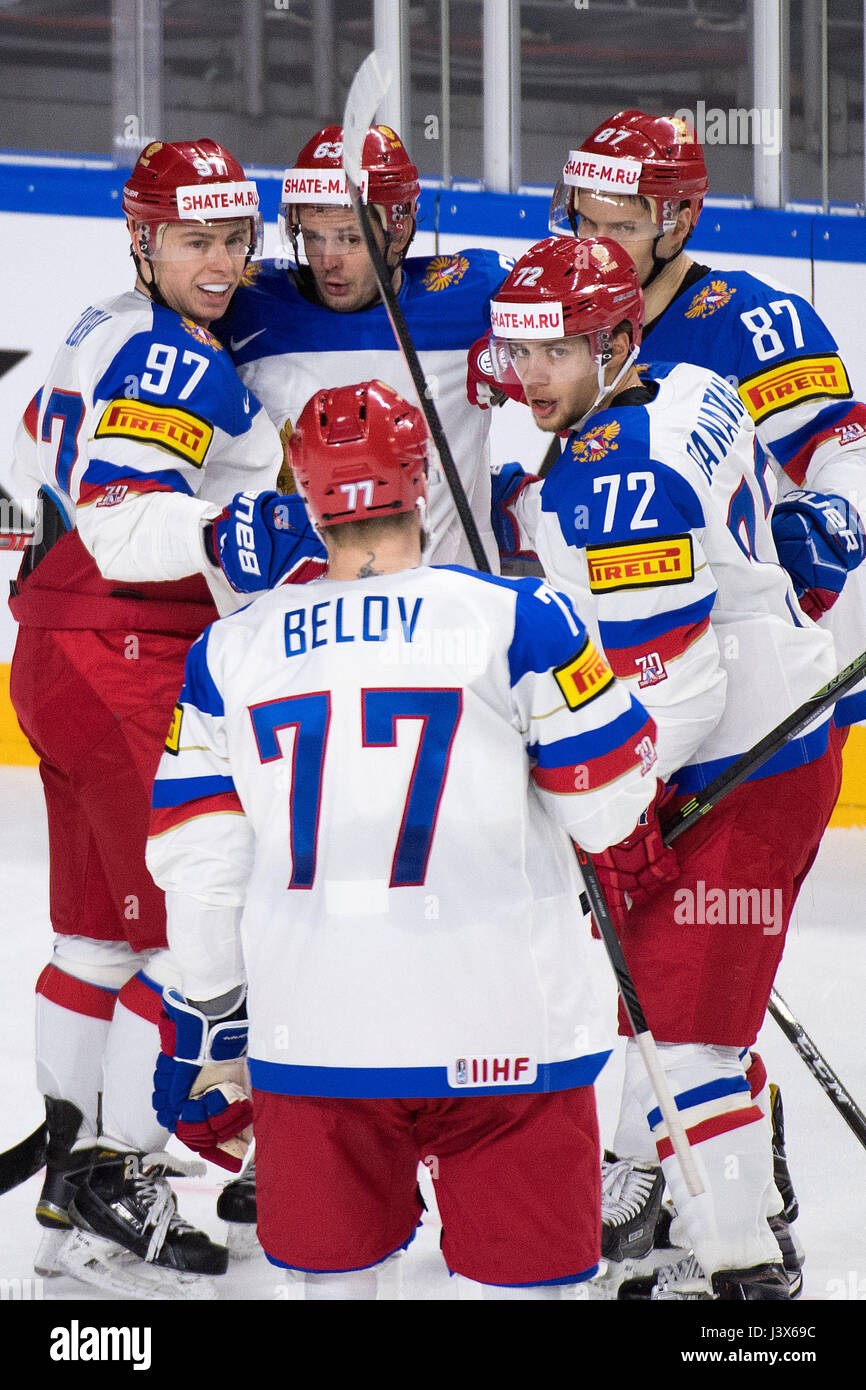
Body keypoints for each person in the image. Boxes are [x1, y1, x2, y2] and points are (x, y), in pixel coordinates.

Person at [144, 378, 664, 1301]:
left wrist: (213, 1024)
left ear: (305, 494)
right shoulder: (524, 620)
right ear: (420, 481)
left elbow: (202, 864)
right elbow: (609, 814)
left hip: (315, 1041)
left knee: (332, 1291)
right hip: (509, 1038)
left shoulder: (229, 652)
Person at [486, 236, 842, 1299]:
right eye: (517, 351)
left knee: (681, 1040)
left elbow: (672, 687)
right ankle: (702, 1209)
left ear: (614, 340)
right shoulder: (683, 384)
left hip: (725, 765)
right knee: (682, 1017)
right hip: (774, 742)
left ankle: (733, 1270)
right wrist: (531, 505)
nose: (527, 376)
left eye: (552, 352)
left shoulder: (617, 480)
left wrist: (614, 812)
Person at [545, 108, 866, 1277]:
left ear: (677, 217)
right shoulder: (558, 318)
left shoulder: (752, 321)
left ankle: (712, 1181)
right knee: (658, 962)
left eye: (617, 220)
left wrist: (833, 514)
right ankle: (693, 1153)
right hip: (641, 690)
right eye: (577, 214)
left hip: (740, 694)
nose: (593, 234)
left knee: (688, 976)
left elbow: (845, 444)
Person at [8, 138, 324, 1297]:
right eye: (197, 239)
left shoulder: (100, 323)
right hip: (122, 650)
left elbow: (51, 490)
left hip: (57, 649)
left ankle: (74, 1197)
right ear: (142, 238)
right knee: (204, 911)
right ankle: (120, 1166)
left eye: (238, 238)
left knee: (97, 937)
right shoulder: (167, 356)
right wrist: (235, 533)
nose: (225, 261)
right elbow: (123, 525)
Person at [216, 123, 512, 570]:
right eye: (314, 237)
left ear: (401, 228)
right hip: (305, 611)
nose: (329, 260)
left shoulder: (475, 296)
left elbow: (603, 343)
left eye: (350, 239)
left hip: (447, 611)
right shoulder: (246, 304)